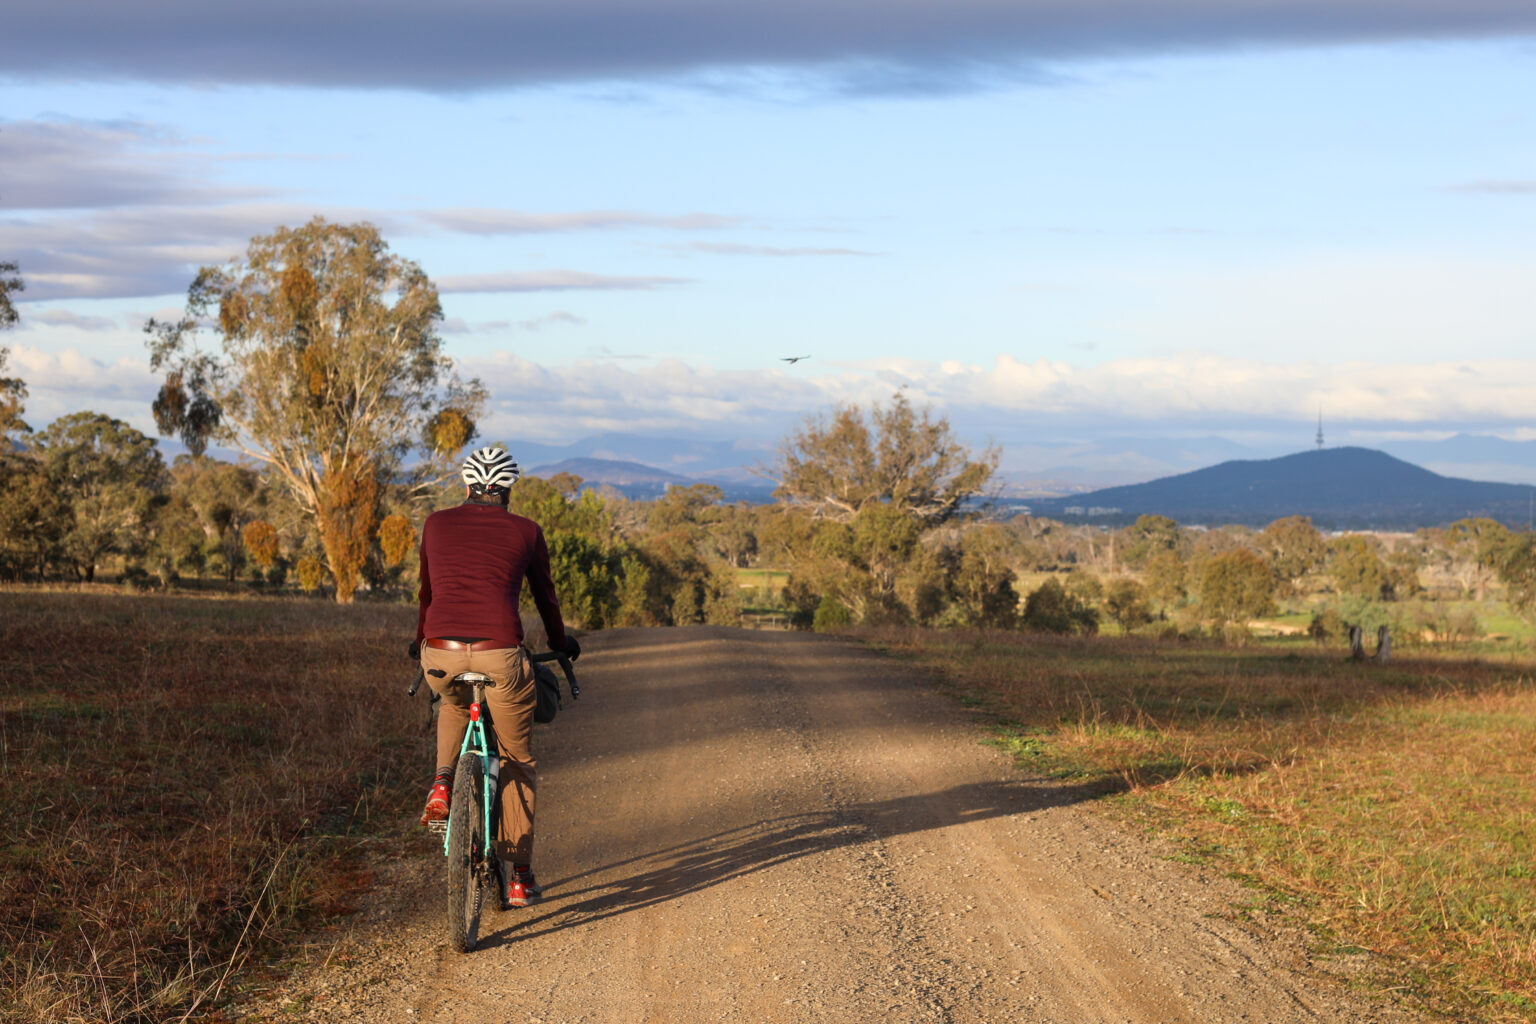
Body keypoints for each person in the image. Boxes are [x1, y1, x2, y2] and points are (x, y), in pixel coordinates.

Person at [411, 446, 580, 908]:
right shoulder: (526, 531)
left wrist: (420, 642)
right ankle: (521, 876)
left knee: (451, 703)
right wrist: (562, 644)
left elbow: (427, 595)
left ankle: (443, 784)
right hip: (499, 656)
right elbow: (547, 599)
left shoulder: (435, 524)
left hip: (440, 653)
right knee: (516, 761)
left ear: (466, 487)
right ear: (507, 490)